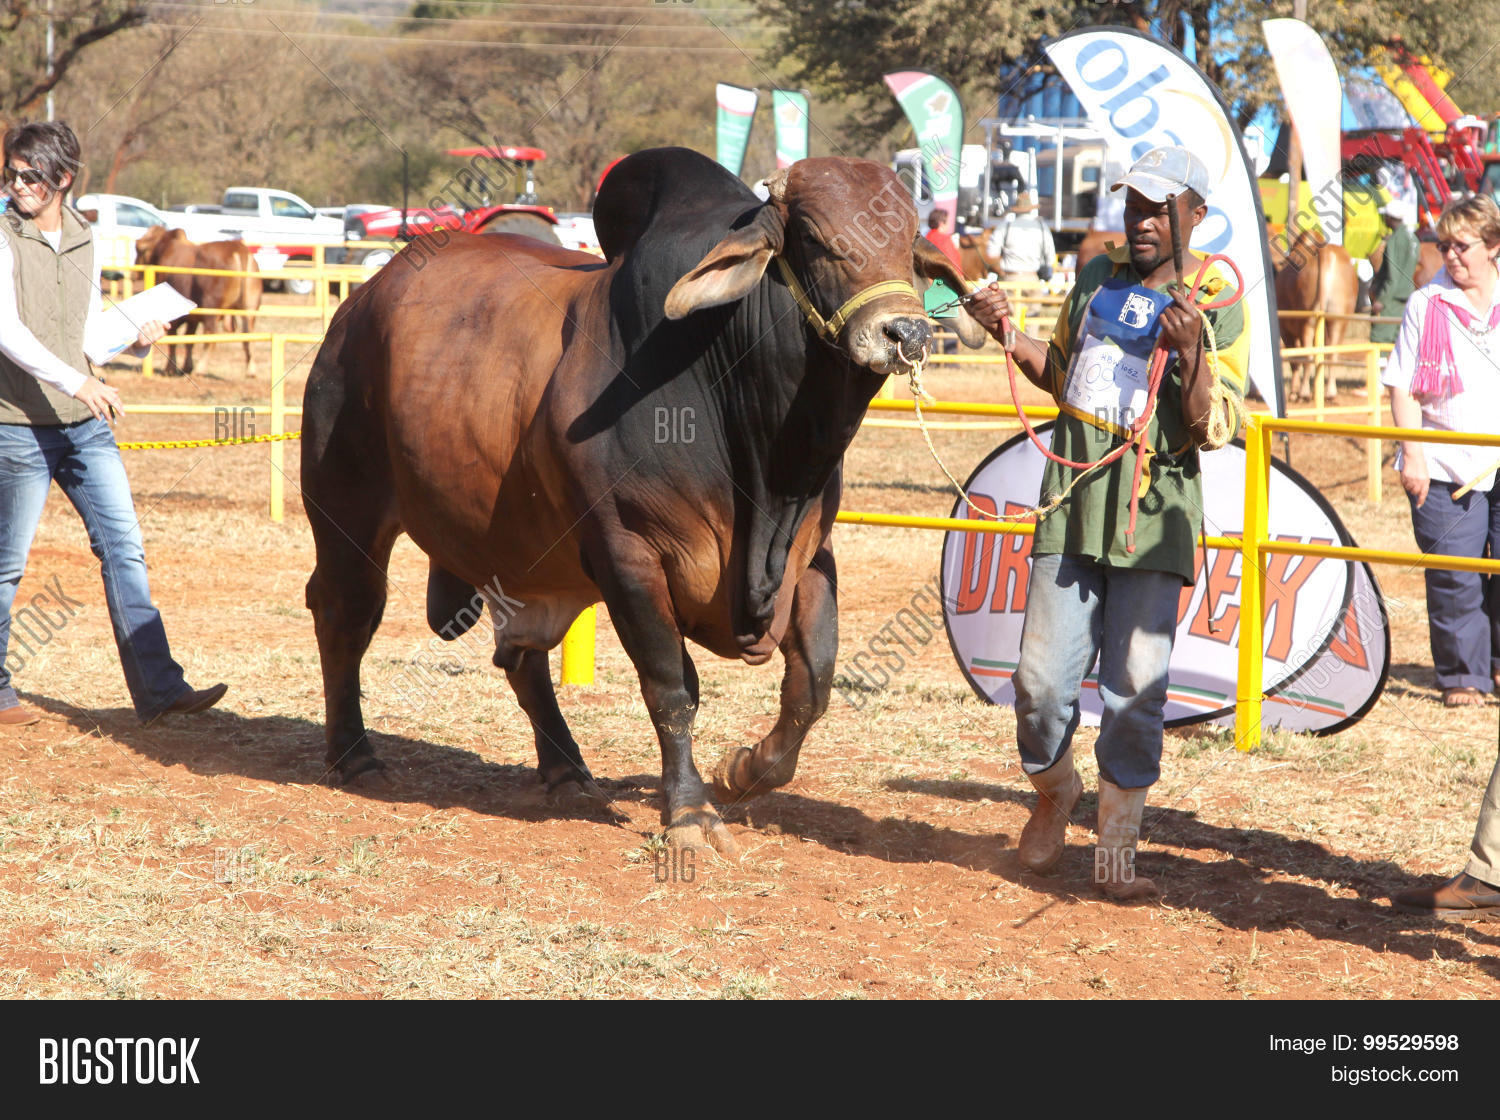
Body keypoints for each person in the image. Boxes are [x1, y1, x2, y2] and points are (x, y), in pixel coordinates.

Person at [967, 145, 1247, 901]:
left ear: (1196, 214)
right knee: (1038, 685)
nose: (1142, 221)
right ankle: (1055, 792)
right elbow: (1064, 376)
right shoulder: (1095, 277)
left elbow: (1213, 427)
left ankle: (1117, 848)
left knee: (1134, 692)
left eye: (1160, 209)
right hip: (1072, 504)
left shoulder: (1219, 298)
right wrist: (1005, 331)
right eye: (1134, 205)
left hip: (1154, 519)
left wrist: (1191, 353)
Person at [0, 119, 226, 727]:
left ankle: (159, 690)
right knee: (7, 565)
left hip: (84, 423)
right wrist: (79, 381)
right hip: (17, 424)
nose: (16, 184)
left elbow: (88, 333)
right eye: (11, 173)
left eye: (29, 175)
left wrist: (136, 335)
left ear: (62, 179)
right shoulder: (2, 235)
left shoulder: (84, 236)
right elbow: (6, 330)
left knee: (124, 547)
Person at [1383, 194, 1500, 710]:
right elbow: (1402, 386)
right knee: (1455, 574)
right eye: (1444, 245)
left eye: (1462, 246)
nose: (1450, 255)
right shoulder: (1426, 304)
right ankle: (1463, 677)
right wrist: (1413, 455)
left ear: (1493, 246)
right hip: (1445, 461)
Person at [1369, 197, 1419, 352]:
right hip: (1406, 297)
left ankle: (1381, 369)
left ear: (1390, 218)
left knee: (1380, 341)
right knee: (1401, 343)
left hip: (1392, 299)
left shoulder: (1395, 241)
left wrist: (1382, 299)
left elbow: (1393, 275)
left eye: (1385, 216)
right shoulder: (1413, 239)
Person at [984, 196, 1055, 282]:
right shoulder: (1042, 227)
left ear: (1016, 209)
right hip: (1032, 279)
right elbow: (1050, 258)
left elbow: (991, 253)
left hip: (1009, 278)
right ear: (1030, 209)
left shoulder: (1005, 226)